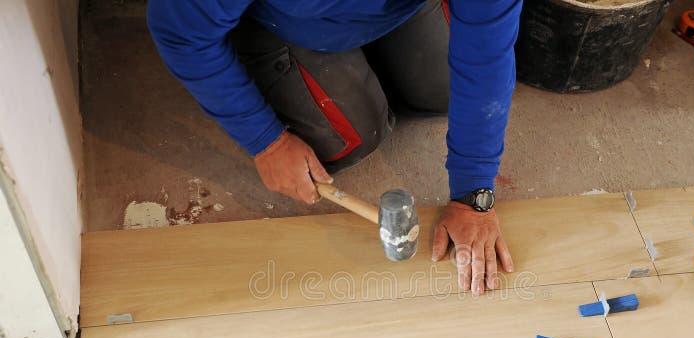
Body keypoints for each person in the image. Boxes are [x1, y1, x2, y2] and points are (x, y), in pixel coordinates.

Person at [148, 0, 521, 295]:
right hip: (281, 19)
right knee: (348, 140)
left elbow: (485, 56)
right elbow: (178, 31)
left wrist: (474, 194)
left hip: (393, 11)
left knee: (444, 90)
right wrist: (266, 140)